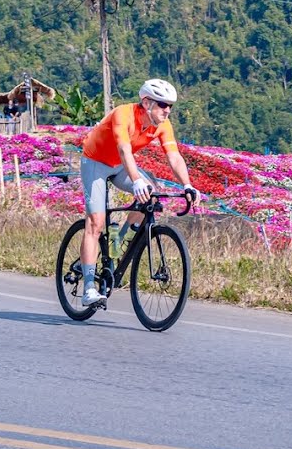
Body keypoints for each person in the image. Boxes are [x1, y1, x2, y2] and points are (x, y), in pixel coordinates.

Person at [77, 78, 201, 306]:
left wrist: (187, 185)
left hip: (118, 165)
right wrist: (135, 180)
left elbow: (173, 157)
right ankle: (88, 289)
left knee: (151, 195)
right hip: (95, 162)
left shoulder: (163, 125)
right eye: (163, 105)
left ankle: (119, 240)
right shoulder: (122, 115)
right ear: (147, 103)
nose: (168, 110)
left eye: (170, 106)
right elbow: (124, 149)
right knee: (95, 223)